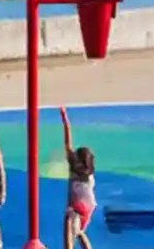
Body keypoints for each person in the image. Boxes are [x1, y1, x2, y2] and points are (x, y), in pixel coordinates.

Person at [60, 107, 96, 249]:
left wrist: (65, 119)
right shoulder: (88, 173)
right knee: (79, 232)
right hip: (89, 205)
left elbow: (67, 142)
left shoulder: (75, 167)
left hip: (79, 205)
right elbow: (68, 144)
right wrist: (65, 119)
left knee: (69, 224)